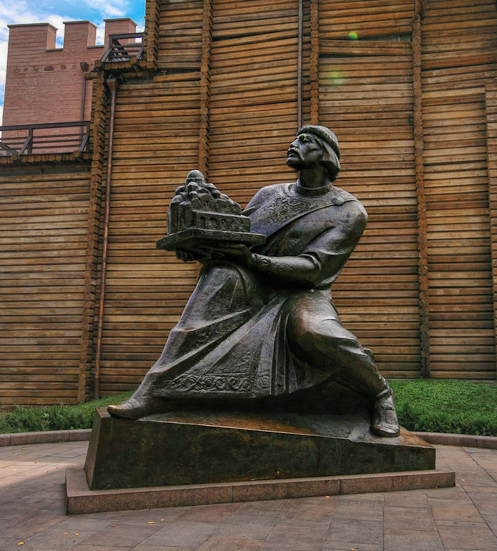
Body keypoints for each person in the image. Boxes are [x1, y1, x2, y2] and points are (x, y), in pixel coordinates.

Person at [108, 125, 400, 437]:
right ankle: (152, 392)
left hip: (303, 292)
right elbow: (238, 238)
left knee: (312, 330)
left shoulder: (349, 211)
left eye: (305, 141)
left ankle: (380, 395)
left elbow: (315, 267)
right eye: (295, 138)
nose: (293, 143)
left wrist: (252, 261)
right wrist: (199, 248)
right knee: (217, 277)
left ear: (325, 154)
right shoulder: (269, 194)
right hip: (254, 283)